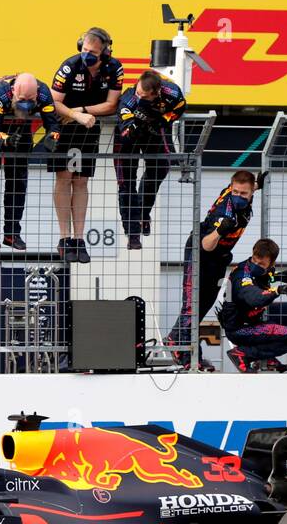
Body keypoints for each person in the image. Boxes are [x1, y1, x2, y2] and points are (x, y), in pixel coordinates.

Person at [165, 169, 258, 371]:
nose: (239, 197)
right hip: (201, 252)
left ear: (252, 192)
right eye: (236, 193)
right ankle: (186, 352)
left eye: (244, 194)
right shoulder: (225, 211)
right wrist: (220, 230)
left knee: (205, 303)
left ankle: (174, 338)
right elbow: (206, 244)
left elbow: (248, 185)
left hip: (219, 258)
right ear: (231, 190)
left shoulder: (244, 191)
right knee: (192, 304)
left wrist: (258, 182)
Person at [49, 28, 124, 262]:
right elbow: (53, 101)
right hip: (64, 126)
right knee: (64, 178)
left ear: (105, 52)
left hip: (89, 126)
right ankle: (64, 238)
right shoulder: (70, 66)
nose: (87, 55)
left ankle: (79, 239)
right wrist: (74, 115)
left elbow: (111, 104)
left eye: (92, 52)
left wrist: (83, 112)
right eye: (84, 49)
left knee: (81, 181)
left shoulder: (114, 68)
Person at [0, 73, 60, 251]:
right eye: (21, 99)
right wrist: (6, 141)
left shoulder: (43, 93)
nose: (26, 103)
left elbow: (53, 125)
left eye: (30, 99)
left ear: (36, 93)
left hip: (22, 128)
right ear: (13, 91)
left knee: (18, 184)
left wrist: (52, 139)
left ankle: (12, 234)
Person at [115, 69, 187, 249]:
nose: (139, 96)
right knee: (126, 184)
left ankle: (142, 215)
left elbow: (180, 106)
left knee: (161, 168)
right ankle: (132, 233)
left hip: (154, 133)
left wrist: (164, 120)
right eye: (138, 92)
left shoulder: (172, 93)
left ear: (157, 93)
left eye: (144, 96)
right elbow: (125, 132)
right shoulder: (128, 99)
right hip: (128, 139)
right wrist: (136, 124)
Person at [218, 238, 287, 373]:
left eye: (261, 263)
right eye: (254, 260)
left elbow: (266, 276)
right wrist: (278, 290)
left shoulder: (264, 270)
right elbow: (255, 298)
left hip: (256, 319)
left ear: (271, 263)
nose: (256, 264)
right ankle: (244, 353)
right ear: (252, 254)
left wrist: (279, 277)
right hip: (240, 329)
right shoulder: (242, 275)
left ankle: (266, 355)